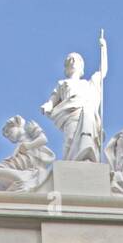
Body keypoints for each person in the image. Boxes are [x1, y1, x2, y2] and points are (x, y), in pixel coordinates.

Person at [40, 31, 107, 162]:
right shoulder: (62, 83)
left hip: (85, 111)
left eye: (75, 59)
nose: (72, 61)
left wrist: (103, 48)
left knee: (87, 136)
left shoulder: (88, 83)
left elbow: (102, 71)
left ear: (81, 65)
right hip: (69, 112)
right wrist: (48, 105)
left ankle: (87, 157)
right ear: (66, 66)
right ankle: (70, 163)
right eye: (70, 59)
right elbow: (54, 97)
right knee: (70, 138)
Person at [0, 116, 55, 192]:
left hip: (31, 160)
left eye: (10, 132)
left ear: (19, 125)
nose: (9, 137)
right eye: (8, 137)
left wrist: (28, 146)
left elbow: (43, 139)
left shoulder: (29, 130)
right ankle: (12, 187)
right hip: (19, 163)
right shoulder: (19, 145)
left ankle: (24, 180)